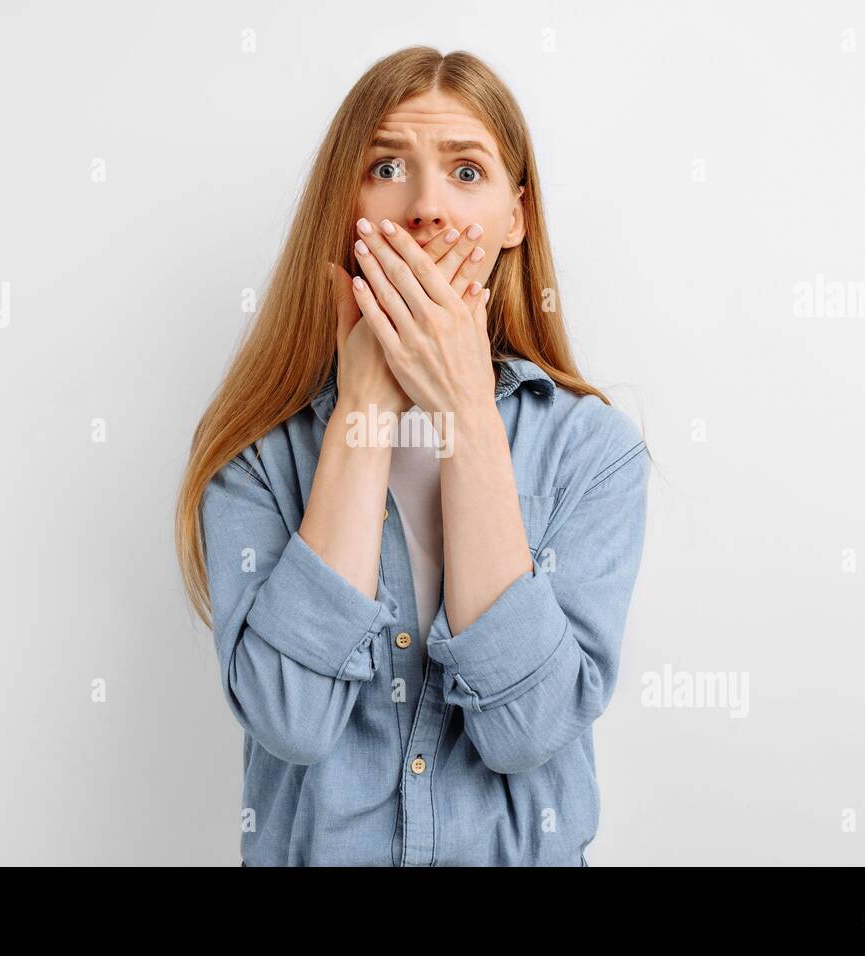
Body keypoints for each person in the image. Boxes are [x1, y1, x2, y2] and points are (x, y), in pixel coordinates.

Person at [177, 46, 651, 866]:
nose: (427, 206)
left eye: (467, 172)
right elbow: (288, 718)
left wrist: (466, 409)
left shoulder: (592, 453)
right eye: (388, 166)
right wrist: (361, 408)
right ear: (344, 203)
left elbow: (528, 731)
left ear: (516, 218)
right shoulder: (256, 451)